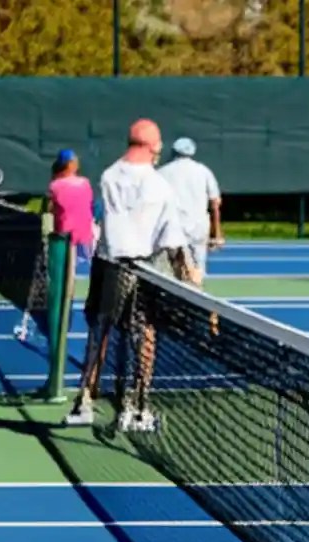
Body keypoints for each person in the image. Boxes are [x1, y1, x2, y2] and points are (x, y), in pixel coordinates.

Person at [63, 119, 198, 430]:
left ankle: (84, 401)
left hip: (108, 263)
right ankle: (138, 407)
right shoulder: (159, 186)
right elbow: (172, 239)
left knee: (99, 332)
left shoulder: (108, 176)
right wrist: (190, 278)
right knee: (145, 334)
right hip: (142, 269)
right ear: (154, 147)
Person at [156, 137, 223, 280]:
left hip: (172, 229)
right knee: (198, 270)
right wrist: (216, 234)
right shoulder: (203, 171)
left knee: (172, 271)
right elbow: (215, 204)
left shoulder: (162, 172)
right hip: (198, 228)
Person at [47, 148, 96, 278]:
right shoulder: (85, 183)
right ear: (70, 165)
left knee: (63, 276)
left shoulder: (55, 186)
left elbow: (50, 210)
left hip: (67, 240)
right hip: (78, 240)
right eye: (75, 160)